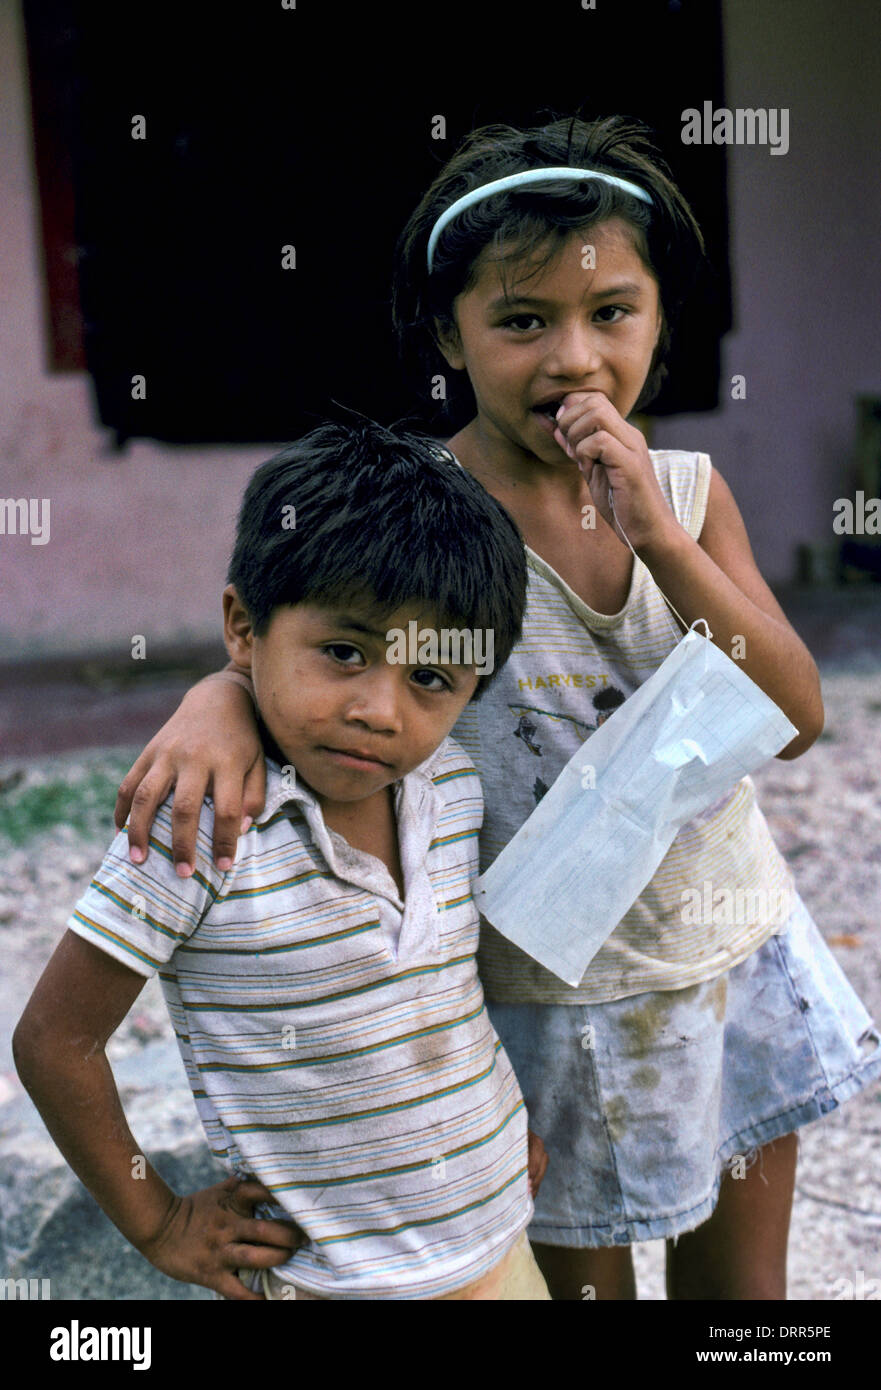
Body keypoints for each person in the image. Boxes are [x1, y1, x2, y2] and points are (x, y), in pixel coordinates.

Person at [110, 116, 881, 1300]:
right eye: (522, 321)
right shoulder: (428, 517)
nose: (571, 357)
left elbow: (791, 712)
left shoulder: (686, 495)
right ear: (448, 334)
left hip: (723, 948)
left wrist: (662, 542)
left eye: (609, 313)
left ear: (659, 319)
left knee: (744, 1300)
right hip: (544, 1001)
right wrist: (220, 694)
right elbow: (315, 652)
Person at [13, 419, 553, 1301]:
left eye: (430, 678)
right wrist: (158, 1221)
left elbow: (438, 993)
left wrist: (485, 1138)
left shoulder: (449, 789)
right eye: (344, 653)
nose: (380, 709)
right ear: (243, 625)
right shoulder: (201, 826)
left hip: (496, 1244)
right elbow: (54, 1043)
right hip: (328, 1282)